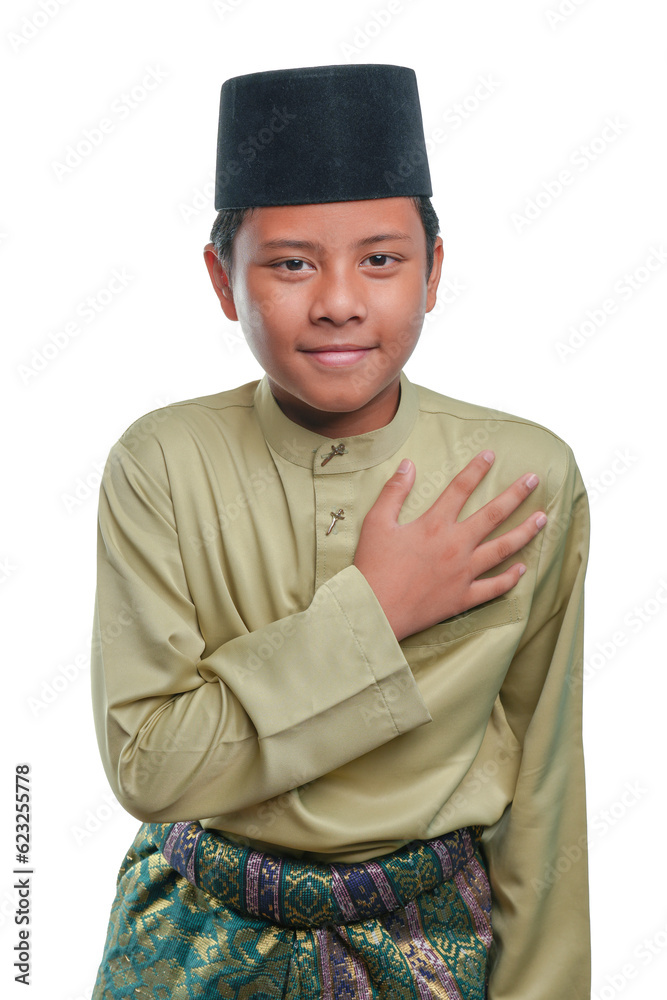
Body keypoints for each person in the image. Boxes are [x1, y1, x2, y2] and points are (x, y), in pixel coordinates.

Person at [90, 64, 590, 999]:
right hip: (189, 941)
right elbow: (149, 770)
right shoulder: (162, 461)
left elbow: (543, 781)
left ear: (434, 270)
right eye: (288, 263)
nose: (338, 301)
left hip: (432, 943)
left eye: (381, 258)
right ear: (221, 280)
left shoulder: (523, 476)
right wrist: (377, 610)